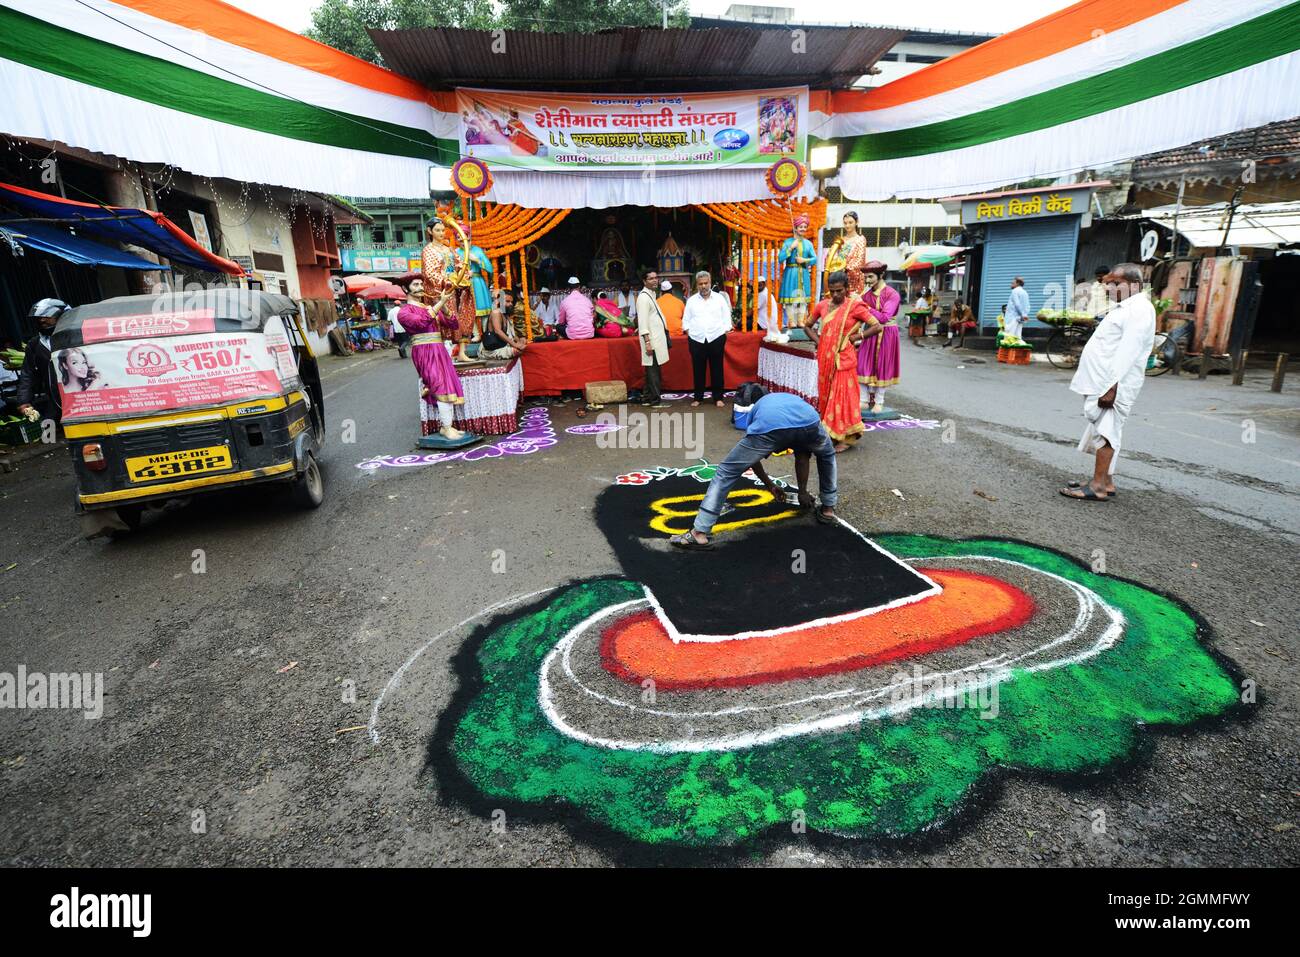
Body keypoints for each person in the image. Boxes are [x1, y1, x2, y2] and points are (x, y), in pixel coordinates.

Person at [668, 386, 839, 549]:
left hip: (772, 424)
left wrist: (769, 485)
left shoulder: (758, 409)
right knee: (826, 455)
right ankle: (828, 508)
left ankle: (699, 533)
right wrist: (800, 491)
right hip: (809, 421)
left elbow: (751, 459)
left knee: (726, 471)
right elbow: (802, 456)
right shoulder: (789, 399)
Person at [1061, 264, 1155, 501]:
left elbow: (1128, 352)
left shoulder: (1139, 309)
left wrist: (1111, 387)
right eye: (1108, 283)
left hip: (1111, 383)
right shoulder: (1125, 307)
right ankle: (1106, 481)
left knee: (1107, 432)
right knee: (1105, 429)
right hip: (1102, 380)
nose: (1108, 287)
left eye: (1115, 283)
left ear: (1135, 285)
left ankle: (1097, 486)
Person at [806, 271, 879, 452]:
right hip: (825, 357)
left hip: (843, 359)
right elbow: (807, 325)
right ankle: (831, 434)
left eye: (839, 290)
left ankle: (844, 438)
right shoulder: (822, 305)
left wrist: (857, 336)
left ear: (847, 289)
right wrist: (819, 341)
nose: (836, 295)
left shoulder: (854, 306)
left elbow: (877, 325)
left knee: (842, 397)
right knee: (827, 394)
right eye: (832, 291)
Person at [399, 279, 465, 441]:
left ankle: (446, 427)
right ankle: (447, 428)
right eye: (415, 285)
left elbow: (454, 324)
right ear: (404, 288)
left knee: (447, 386)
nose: (420, 287)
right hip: (424, 351)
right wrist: (439, 303)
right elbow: (421, 323)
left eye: (421, 284)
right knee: (439, 386)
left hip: (440, 350)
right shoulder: (404, 312)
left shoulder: (429, 307)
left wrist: (443, 305)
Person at [682, 270, 731, 408]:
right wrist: (689, 333)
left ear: (710, 283)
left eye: (706, 283)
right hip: (696, 339)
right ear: (696, 285)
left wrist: (723, 332)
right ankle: (698, 398)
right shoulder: (691, 301)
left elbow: (726, 317)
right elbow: (686, 320)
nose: (703, 286)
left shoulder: (719, 299)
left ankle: (718, 398)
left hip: (716, 337)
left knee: (717, 369)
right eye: (700, 284)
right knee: (698, 370)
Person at [857, 261, 901, 413]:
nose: (867, 281)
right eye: (865, 277)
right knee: (863, 363)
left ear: (881, 275)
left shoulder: (892, 294)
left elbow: (884, 318)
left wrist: (864, 307)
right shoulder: (866, 295)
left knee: (883, 366)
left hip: (887, 333)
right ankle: (863, 400)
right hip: (870, 331)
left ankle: (879, 402)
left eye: (870, 277)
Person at [16, 298, 69, 423]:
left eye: (47, 316)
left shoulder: (73, 338)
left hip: (81, 399)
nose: (42, 319)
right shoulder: (34, 344)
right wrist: (24, 401)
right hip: (54, 401)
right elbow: (28, 374)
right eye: (39, 317)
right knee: (48, 434)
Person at [636, 267, 670, 408]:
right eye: (651, 278)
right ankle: (655, 401)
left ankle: (647, 398)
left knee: (652, 370)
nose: (654, 280)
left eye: (656, 277)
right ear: (644, 281)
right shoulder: (644, 298)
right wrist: (648, 342)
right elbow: (643, 322)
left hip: (655, 338)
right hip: (651, 340)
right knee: (654, 372)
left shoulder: (651, 294)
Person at [778, 215, 816, 331]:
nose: (803, 229)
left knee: (802, 297)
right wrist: (790, 248)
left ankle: (800, 320)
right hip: (791, 272)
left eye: (805, 227)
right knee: (791, 298)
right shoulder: (788, 242)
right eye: (801, 227)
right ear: (795, 228)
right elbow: (780, 258)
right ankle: (792, 321)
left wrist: (804, 260)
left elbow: (815, 259)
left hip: (803, 272)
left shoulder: (808, 244)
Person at [479, 289, 529, 361]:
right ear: (500, 301)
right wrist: (515, 345)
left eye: (512, 302)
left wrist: (520, 341)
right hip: (492, 351)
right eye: (507, 301)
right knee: (518, 351)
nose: (511, 304)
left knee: (524, 347)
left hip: (503, 347)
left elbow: (512, 335)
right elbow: (498, 331)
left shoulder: (506, 316)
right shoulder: (496, 313)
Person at [754, 277, 781, 341]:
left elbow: (753, 310)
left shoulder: (763, 294)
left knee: (741, 324)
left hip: (763, 323)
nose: (758, 287)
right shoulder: (766, 292)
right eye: (756, 285)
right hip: (768, 321)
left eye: (759, 285)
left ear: (764, 284)